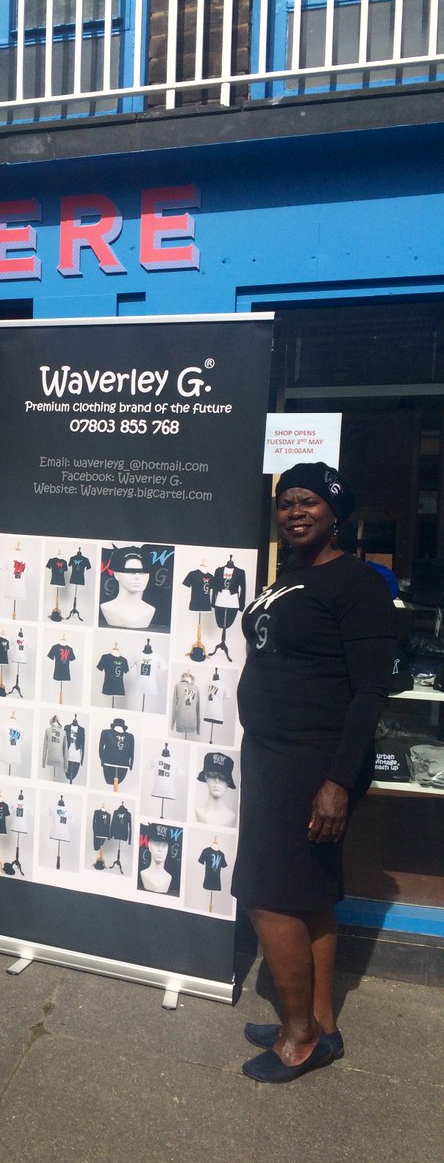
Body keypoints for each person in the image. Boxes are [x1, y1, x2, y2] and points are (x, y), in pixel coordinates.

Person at [232, 462, 396, 1083]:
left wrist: (337, 782)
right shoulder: (293, 577)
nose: (294, 512)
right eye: (285, 502)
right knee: (311, 891)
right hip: (274, 755)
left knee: (267, 893)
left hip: (311, 763)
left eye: (308, 502)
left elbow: (370, 691)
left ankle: (299, 1039)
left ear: (336, 513)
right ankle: (322, 1022)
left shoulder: (358, 584)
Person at [99, 546, 155, 629]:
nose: (137, 577)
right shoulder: (106, 607)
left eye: (143, 572)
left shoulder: (150, 610)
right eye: (130, 572)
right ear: (116, 574)